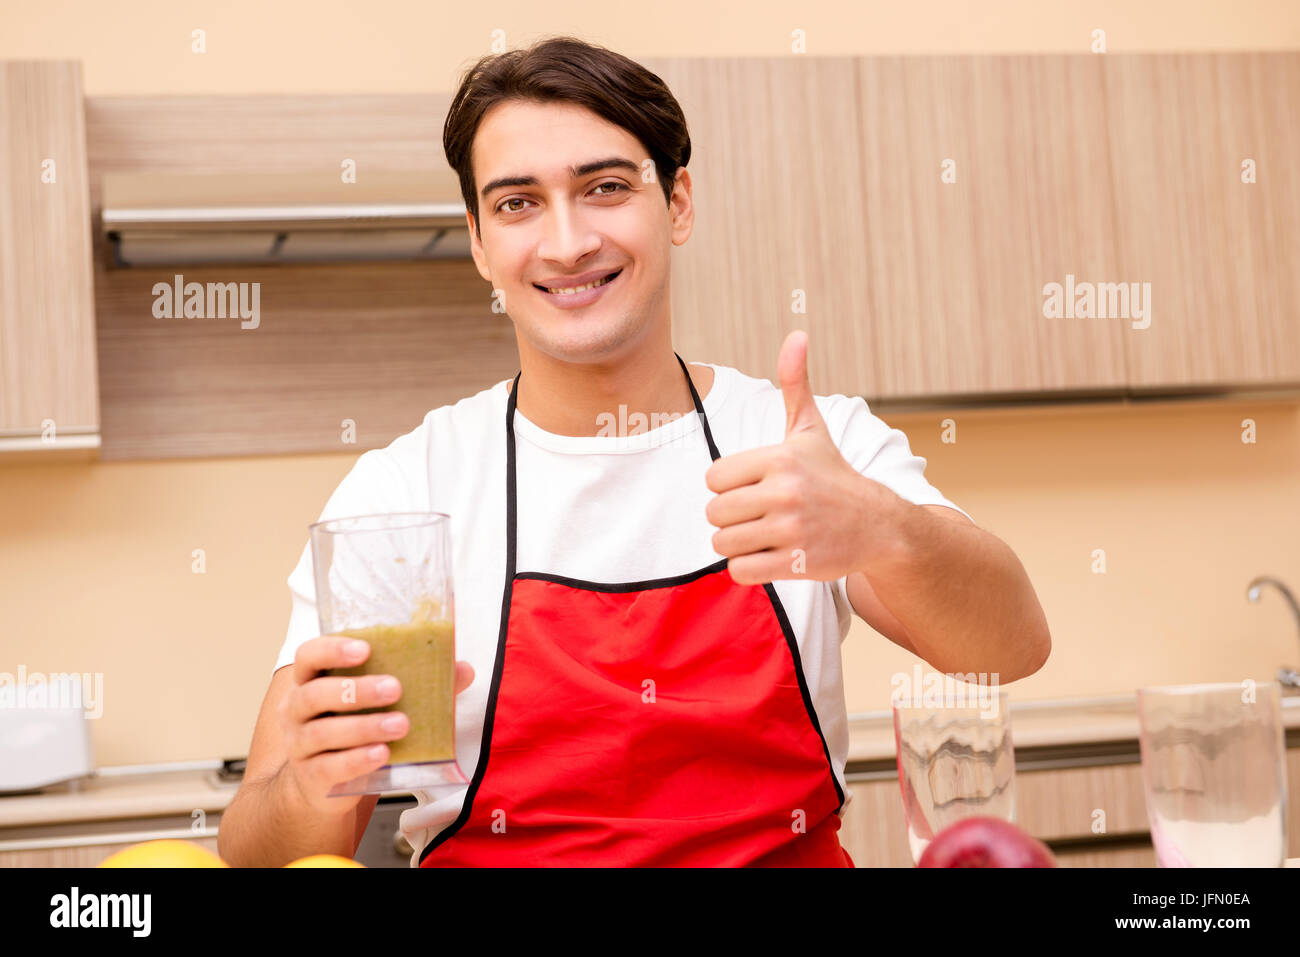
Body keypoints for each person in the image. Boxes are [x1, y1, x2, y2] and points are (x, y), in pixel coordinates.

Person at [218, 35, 1050, 868]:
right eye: (517, 204)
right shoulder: (404, 493)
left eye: (605, 187)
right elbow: (257, 856)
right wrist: (305, 781)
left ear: (677, 203)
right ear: (479, 243)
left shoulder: (803, 443)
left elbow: (1012, 647)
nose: (569, 241)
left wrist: (885, 529)